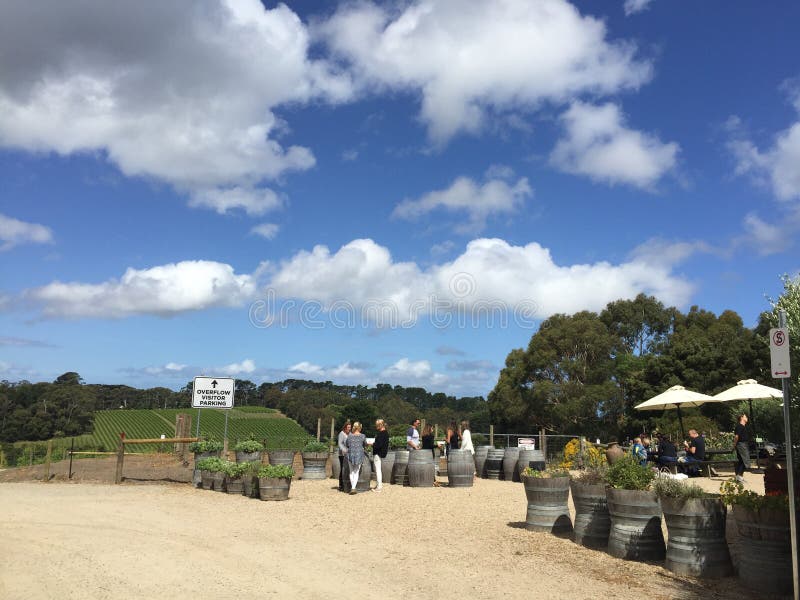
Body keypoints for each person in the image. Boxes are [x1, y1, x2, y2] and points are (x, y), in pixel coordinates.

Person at [345, 421, 367, 495]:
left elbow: (347, 444)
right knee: (356, 471)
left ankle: (353, 488)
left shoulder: (350, 436)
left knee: (351, 471)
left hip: (350, 455)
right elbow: (365, 444)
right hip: (359, 455)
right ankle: (353, 488)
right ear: (360, 427)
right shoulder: (363, 436)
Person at [372, 419, 389, 491]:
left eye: (376, 425)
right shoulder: (386, 433)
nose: (376, 427)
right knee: (378, 469)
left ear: (379, 425)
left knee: (378, 469)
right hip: (382, 453)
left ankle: (379, 486)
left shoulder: (381, 433)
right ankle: (378, 485)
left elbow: (379, 445)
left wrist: (372, 444)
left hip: (378, 453)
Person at [734, 413, 751, 483]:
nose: (747, 417)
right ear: (741, 417)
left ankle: (739, 477)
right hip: (741, 445)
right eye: (745, 416)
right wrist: (734, 445)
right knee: (745, 461)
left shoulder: (743, 426)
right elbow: (736, 436)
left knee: (741, 461)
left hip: (743, 444)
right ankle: (739, 477)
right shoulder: (739, 426)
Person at [337, 420, 351, 492]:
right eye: (348, 427)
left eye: (350, 427)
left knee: (347, 469)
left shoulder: (349, 434)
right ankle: (341, 485)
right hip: (342, 455)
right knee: (343, 468)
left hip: (348, 454)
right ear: (345, 427)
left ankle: (347, 484)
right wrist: (345, 450)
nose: (349, 428)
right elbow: (340, 444)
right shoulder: (341, 434)